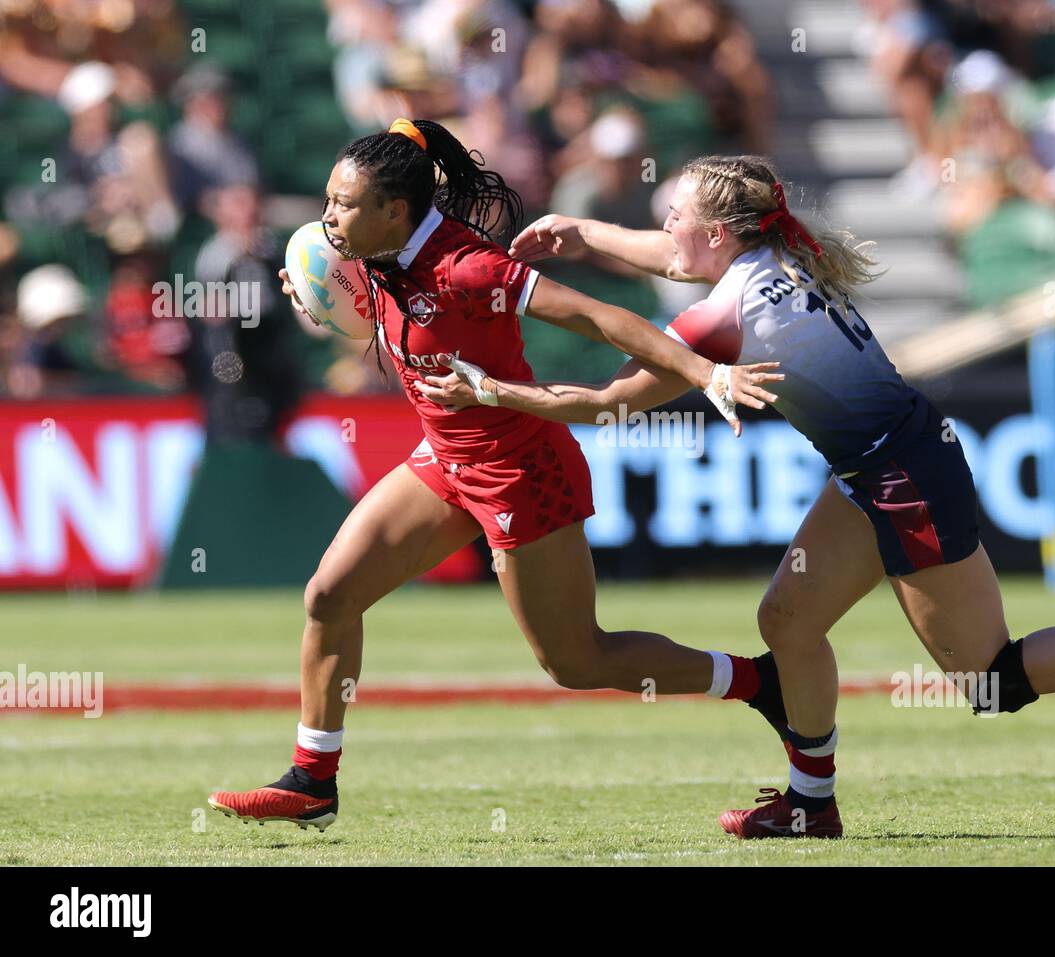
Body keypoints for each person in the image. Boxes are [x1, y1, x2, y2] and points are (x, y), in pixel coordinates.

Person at [421, 154, 1055, 840]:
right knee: (788, 619)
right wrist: (585, 234)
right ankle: (810, 801)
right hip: (882, 463)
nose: (662, 229)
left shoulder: (718, 315)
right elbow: (677, 258)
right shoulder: (772, 254)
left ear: (720, 230)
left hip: (901, 477)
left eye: (673, 214)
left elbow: (610, 402)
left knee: (988, 680)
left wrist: (494, 393)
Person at [206, 119, 787, 831]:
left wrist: (704, 372)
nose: (328, 216)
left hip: (519, 471)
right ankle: (312, 780)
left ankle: (759, 681)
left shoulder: (469, 269)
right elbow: (375, 285)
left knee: (576, 661)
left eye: (344, 203)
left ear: (394, 210)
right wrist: (322, 304)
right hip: (445, 460)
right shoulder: (370, 245)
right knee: (329, 595)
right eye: (329, 199)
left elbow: (602, 318)